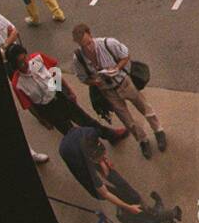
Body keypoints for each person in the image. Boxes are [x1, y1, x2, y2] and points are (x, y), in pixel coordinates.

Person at [71, 23, 166, 159]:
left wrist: (117, 68)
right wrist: (94, 82)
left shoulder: (108, 43)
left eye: (89, 43)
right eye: (83, 45)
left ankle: (158, 130)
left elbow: (125, 55)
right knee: (127, 120)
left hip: (124, 83)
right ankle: (142, 140)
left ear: (91, 34)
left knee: (144, 107)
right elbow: (82, 78)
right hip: (108, 91)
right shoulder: (78, 58)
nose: (88, 47)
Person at [58, 127, 180, 223]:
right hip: (72, 155)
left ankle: (143, 207)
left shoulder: (92, 133)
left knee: (115, 178)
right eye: (98, 160)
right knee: (104, 193)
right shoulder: (85, 166)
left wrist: (104, 161)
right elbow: (104, 193)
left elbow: (98, 148)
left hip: (79, 141)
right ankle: (139, 217)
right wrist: (129, 208)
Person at [6, 43, 126, 142]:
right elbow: (29, 106)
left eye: (25, 58)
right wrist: (43, 120)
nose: (25, 63)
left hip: (59, 94)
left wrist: (68, 90)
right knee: (71, 133)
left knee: (85, 119)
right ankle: (91, 151)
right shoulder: (18, 83)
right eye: (21, 62)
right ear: (15, 66)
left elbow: (55, 73)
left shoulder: (38, 58)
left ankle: (110, 135)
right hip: (47, 108)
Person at [0, 11, 48, 163]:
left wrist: (4, 47)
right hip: (8, 66)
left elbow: (14, 32)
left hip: (14, 56)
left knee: (36, 76)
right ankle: (40, 113)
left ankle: (47, 101)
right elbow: (12, 34)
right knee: (23, 89)